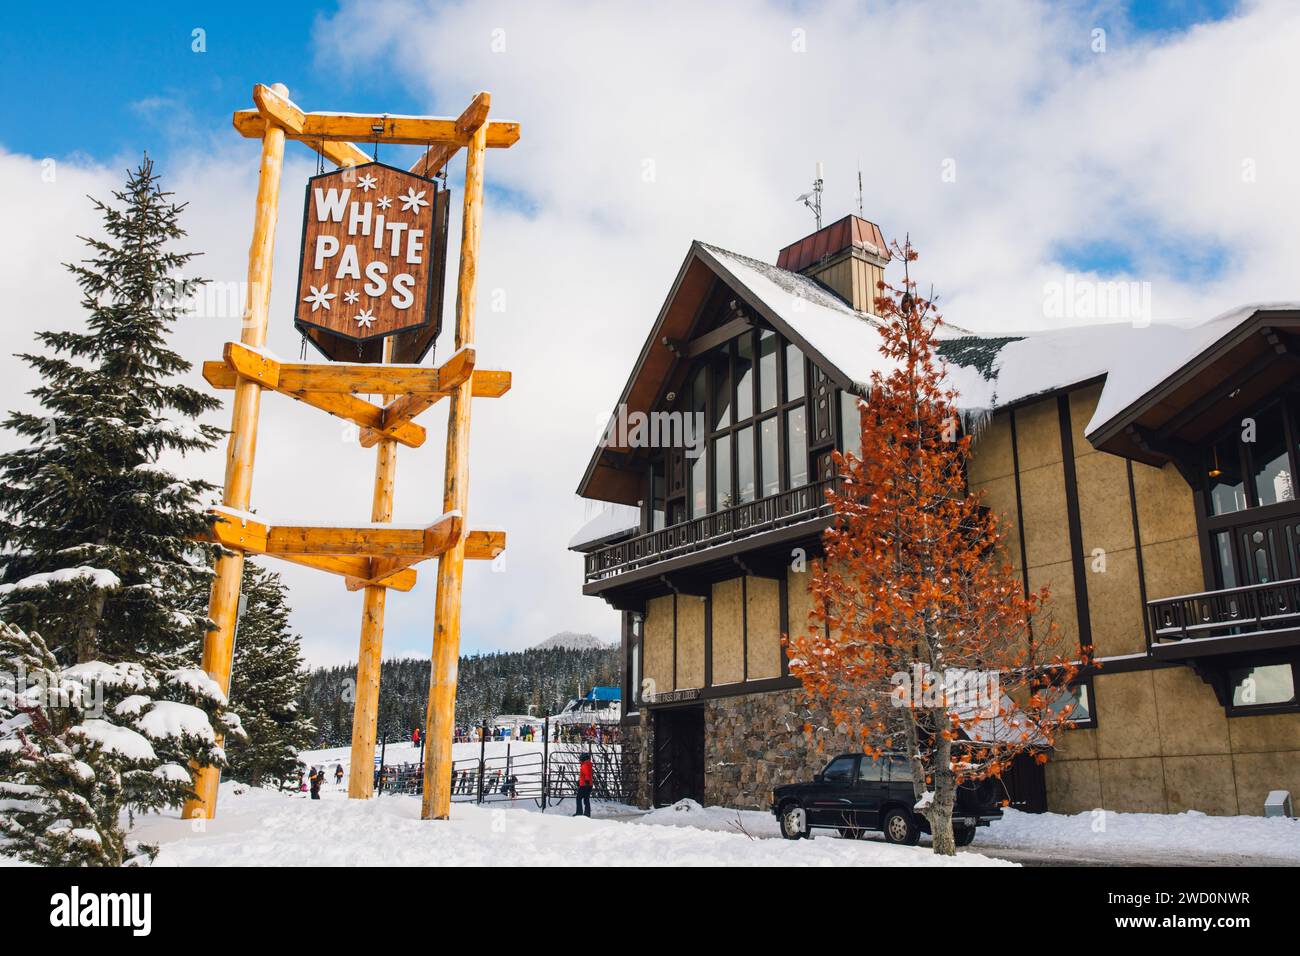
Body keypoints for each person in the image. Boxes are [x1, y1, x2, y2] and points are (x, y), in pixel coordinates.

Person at [574, 752, 593, 818]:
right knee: (586, 799)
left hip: (585, 785)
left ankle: (579, 812)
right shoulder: (588, 764)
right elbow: (585, 774)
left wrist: (586, 781)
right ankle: (587, 813)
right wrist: (580, 781)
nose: (580, 759)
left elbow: (586, 774)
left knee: (578, 798)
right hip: (588, 784)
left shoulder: (584, 765)